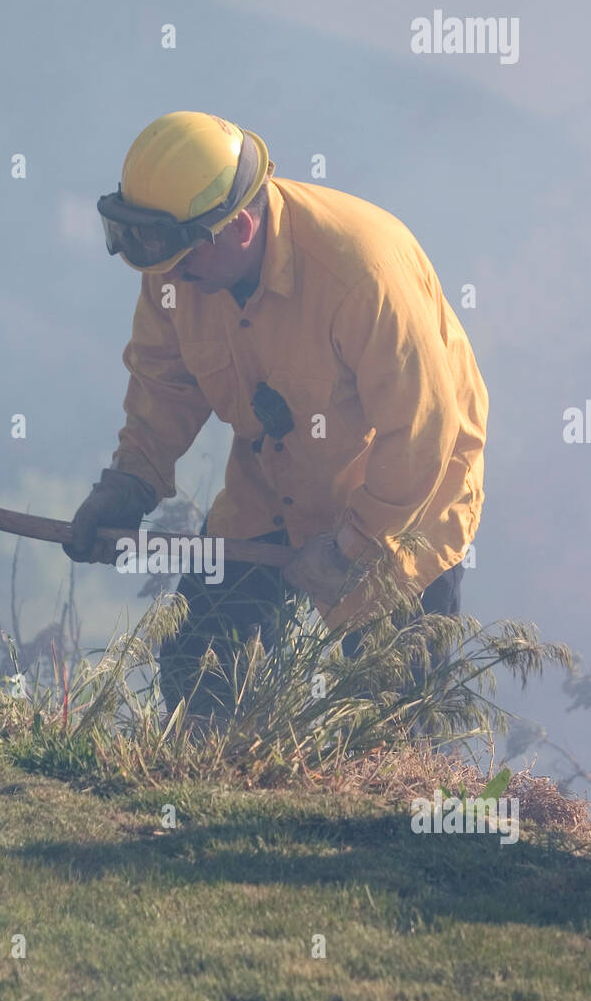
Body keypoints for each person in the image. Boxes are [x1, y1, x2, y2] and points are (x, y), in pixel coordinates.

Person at [64, 111, 487, 721]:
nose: (167, 275)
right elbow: (165, 381)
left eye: (179, 256)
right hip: (273, 484)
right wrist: (129, 482)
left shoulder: (361, 272)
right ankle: (213, 786)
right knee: (197, 660)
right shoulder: (175, 264)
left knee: (394, 705)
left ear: (237, 226)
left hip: (405, 499)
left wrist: (353, 543)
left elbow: (422, 434)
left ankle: (379, 812)